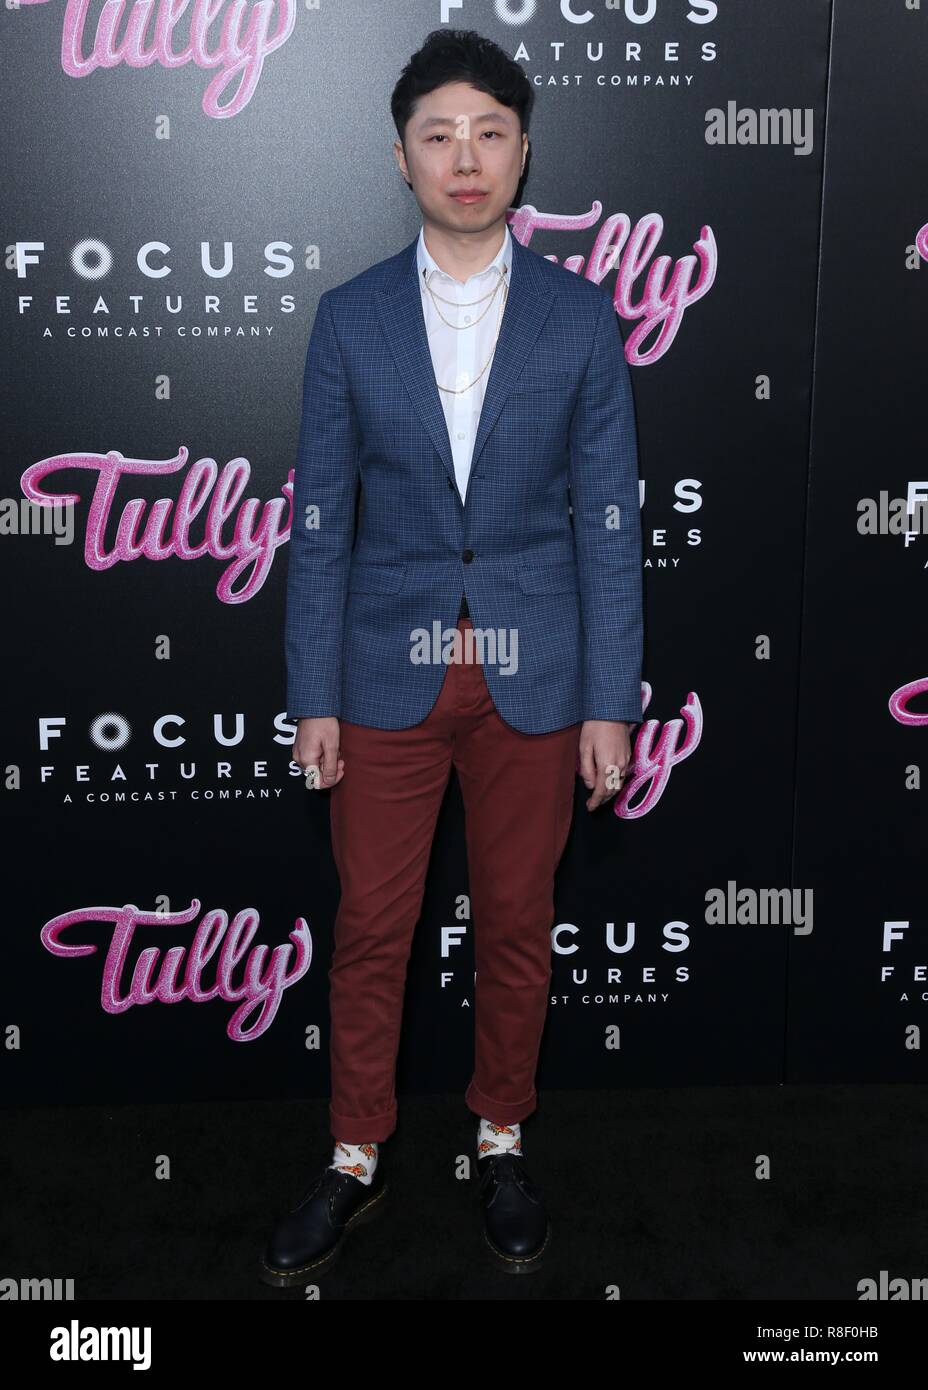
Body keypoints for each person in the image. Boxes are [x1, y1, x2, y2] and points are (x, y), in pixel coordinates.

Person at [260, 28, 643, 1285]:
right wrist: (309, 689)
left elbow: (608, 524)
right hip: (382, 672)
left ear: (523, 151)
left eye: (488, 131)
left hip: (537, 672)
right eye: (439, 134)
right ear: (401, 157)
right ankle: (355, 1152)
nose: (464, 156)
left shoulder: (583, 320)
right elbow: (318, 520)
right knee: (372, 921)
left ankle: (498, 1135)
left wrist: (608, 699)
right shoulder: (349, 319)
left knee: (520, 923)